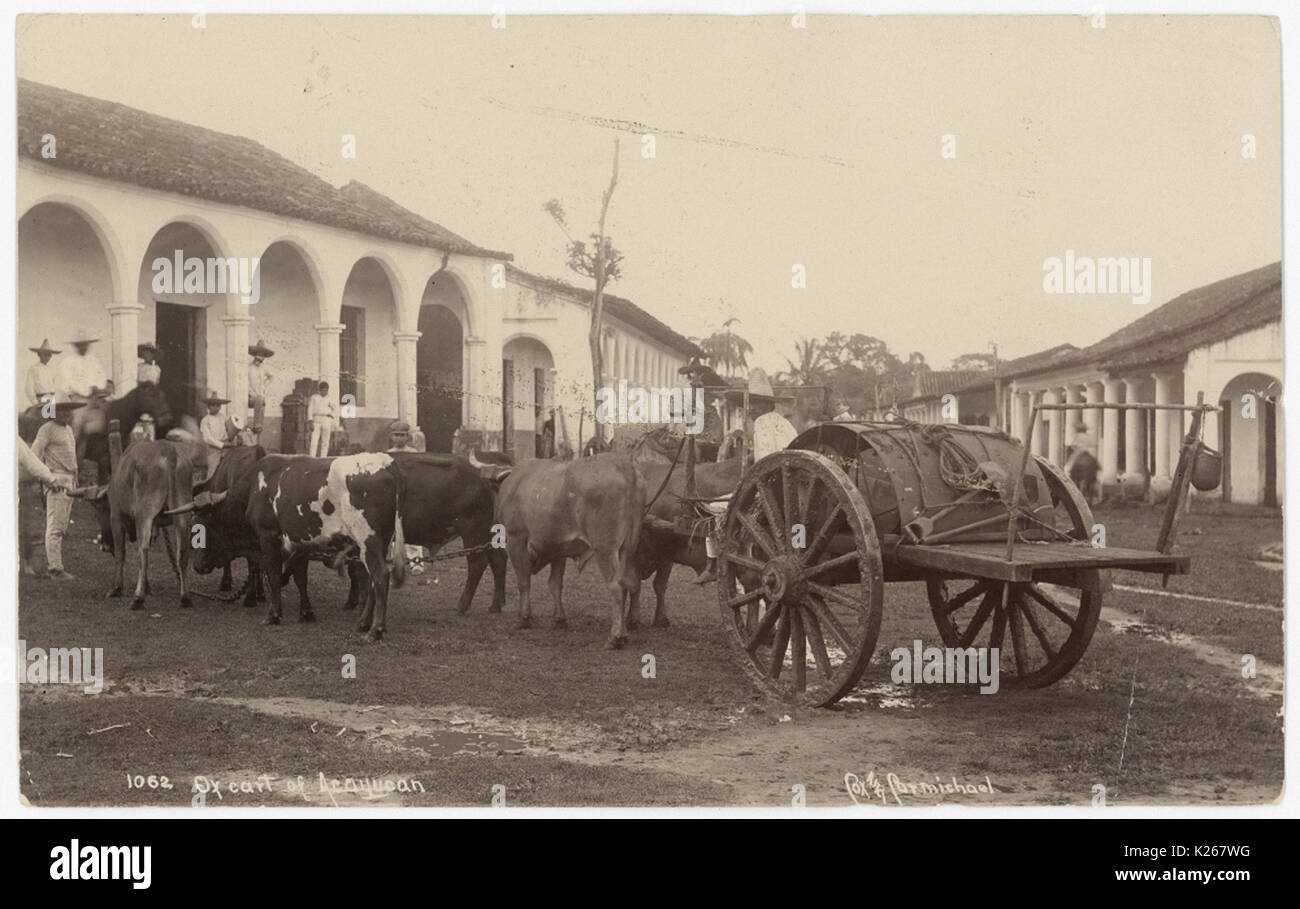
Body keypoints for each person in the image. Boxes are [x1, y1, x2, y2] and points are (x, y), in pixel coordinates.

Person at [695, 371, 797, 585]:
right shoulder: (785, 423)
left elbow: (765, 462)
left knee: (714, 509)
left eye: (755, 404)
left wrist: (748, 483)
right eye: (750, 405)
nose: (750, 409)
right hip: (793, 487)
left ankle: (713, 564)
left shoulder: (762, 424)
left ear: (766, 406)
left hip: (771, 489)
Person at [31, 400, 84, 580]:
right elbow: (34, 456)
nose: (66, 415)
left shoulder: (68, 430)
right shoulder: (47, 429)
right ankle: (55, 569)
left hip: (70, 480)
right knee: (55, 526)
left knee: (61, 525)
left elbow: (72, 458)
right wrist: (46, 478)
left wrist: (76, 478)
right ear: (53, 412)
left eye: (68, 412)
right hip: (56, 480)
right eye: (61, 411)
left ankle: (56, 565)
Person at [18, 436, 73, 577]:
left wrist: (50, 479)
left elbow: (30, 460)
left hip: (18, 486)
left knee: (24, 525)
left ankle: (26, 563)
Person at [386, 420, 425, 571]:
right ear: (391, 436)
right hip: (392, 495)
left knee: (412, 527)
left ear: (408, 437)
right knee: (390, 528)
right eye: (396, 435)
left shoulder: (414, 454)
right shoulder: (387, 454)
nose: (399, 438)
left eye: (402, 435)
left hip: (410, 494)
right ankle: (391, 561)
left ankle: (416, 561)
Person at [57, 331, 108, 404]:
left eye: (86, 344)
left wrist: (98, 387)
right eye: (81, 345)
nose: (84, 347)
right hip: (78, 398)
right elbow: (70, 383)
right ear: (76, 346)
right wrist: (88, 391)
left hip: (96, 396)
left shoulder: (94, 361)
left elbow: (102, 377)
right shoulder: (68, 361)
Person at [199, 390, 233, 479]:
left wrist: (233, 437)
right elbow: (208, 439)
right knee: (213, 471)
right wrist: (222, 445)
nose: (216, 407)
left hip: (226, 447)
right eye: (213, 405)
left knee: (227, 469)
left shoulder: (223, 417)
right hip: (214, 449)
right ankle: (210, 490)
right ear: (208, 406)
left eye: (218, 405)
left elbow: (228, 429)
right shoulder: (205, 420)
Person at [247, 339, 275, 437]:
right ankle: (256, 425)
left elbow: (271, 377)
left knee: (262, 404)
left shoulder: (263, 368)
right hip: (250, 396)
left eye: (262, 358)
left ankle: (258, 429)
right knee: (259, 399)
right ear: (254, 356)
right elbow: (244, 382)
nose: (259, 360)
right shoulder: (248, 368)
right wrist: (249, 391)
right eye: (258, 358)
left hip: (259, 396)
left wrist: (264, 385)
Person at [25, 339, 60, 409]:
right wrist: (35, 403)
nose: (47, 357)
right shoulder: (34, 369)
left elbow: (56, 385)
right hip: (40, 399)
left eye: (49, 355)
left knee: (53, 419)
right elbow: (29, 387)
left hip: (51, 399)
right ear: (39, 354)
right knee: (44, 419)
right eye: (45, 355)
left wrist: (56, 399)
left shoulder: (52, 369)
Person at [308, 381, 338, 457]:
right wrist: (310, 420)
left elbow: (335, 409)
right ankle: (312, 457)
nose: (324, 392)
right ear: (319, 390)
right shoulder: (314, 397)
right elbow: (310, 409)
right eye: (323, 390)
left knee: (325, 441)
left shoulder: (330, 398)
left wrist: (332, 418)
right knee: (314, 440)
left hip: (326, 420)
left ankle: (323, 457)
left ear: (328, 390)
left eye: (326, 390)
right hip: (317, 419)